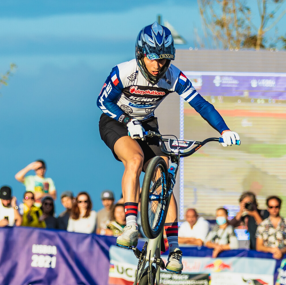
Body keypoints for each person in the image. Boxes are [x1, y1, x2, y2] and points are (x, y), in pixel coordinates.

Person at [97, 22, 241, 265]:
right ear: (141, 54)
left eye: (164, 60)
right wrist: (126, 119)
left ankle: (173, 248)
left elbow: (202, 105)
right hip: (117, 121)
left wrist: (224, 129)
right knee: (135, 159)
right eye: (153, 59)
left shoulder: (173, 75)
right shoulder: (123, 72)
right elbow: (102, 101)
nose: (158, 66)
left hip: (147, 124)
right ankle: (131, 225)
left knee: (163, 175)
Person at [255, 195, 286, 260]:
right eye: (271, 207)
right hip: (267, 260)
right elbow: (259, 246)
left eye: (276, 206)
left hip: (284, 260)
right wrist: (271, 250)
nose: (274, 209)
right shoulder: (262, 225)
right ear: (268, 208)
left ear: (280, 207)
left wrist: (281, 252)